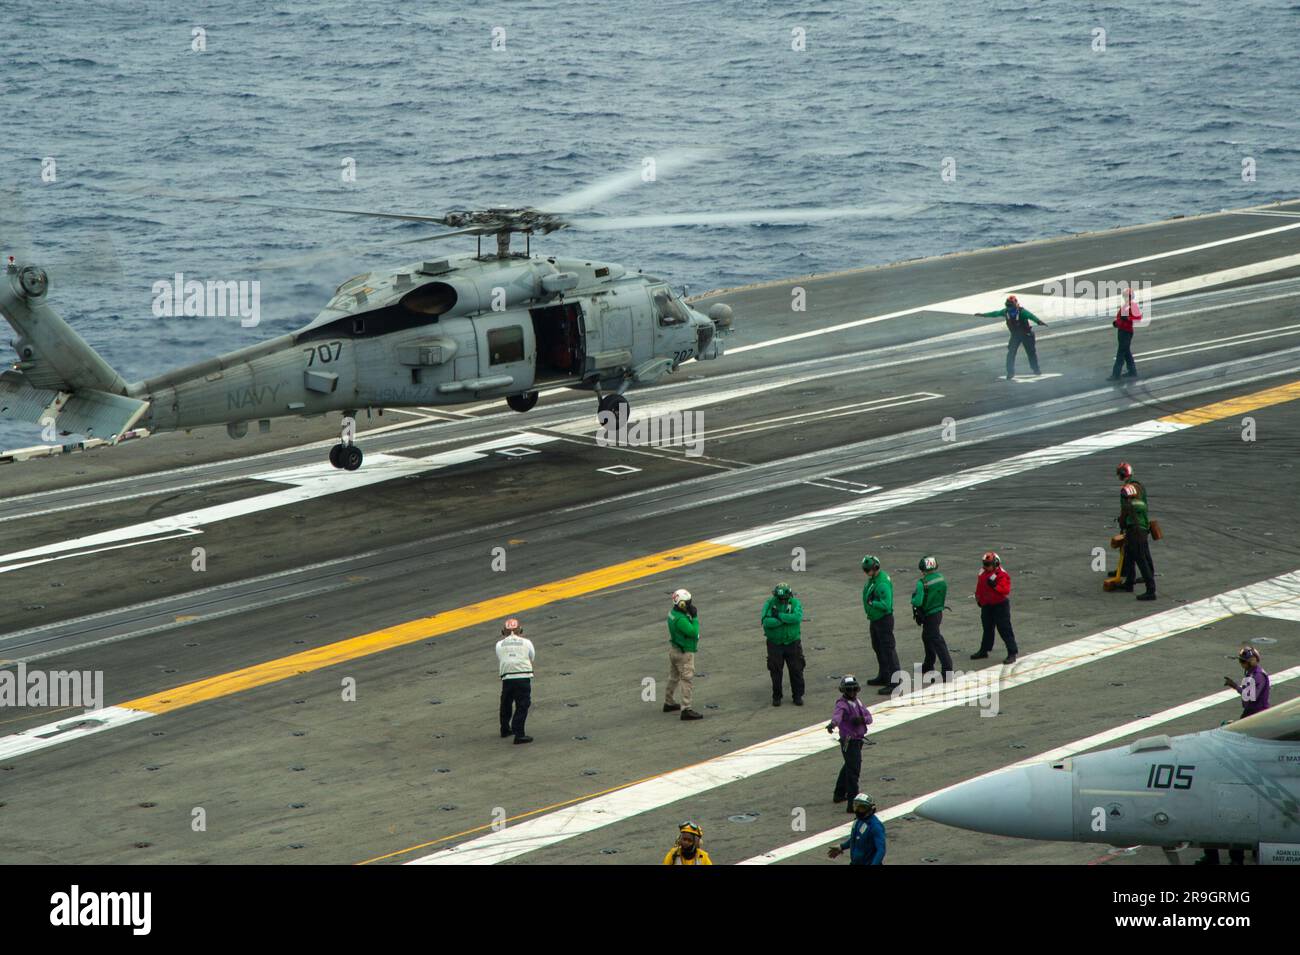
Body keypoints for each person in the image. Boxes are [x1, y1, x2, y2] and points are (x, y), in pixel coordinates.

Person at [1197, 647, 1270, 866]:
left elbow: (1249, 701)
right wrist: (1235, 686)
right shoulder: (1254, 675)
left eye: (1245, 661)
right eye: (1242, 661)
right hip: (1257, 714)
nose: (1243, 664)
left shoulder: (1256, 676)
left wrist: (1238, 688)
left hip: (1254, 717)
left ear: (1254, 660)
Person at [827, 675, 872, 811]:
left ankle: (839, 794)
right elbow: (837, 716)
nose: (852, 692)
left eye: (854, 689)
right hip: (849, 741)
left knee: (849, 766)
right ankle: (852, 803)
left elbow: (869, 717)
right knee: (854, 771)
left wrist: (862, 719)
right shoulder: (842, 704)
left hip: (858, 740)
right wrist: (833, 724)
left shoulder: (858, 702)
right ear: (844, 691)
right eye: (849, 690)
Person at [975, 294, 1047, 379]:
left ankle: (1036, 369)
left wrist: (1039, 321)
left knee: (1031, 353)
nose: (1009, 308)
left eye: (1011, 306)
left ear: (1016, 304)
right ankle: (1010, 372)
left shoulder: (1022, 312)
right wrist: (983, 315)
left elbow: (1031, 316)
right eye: (1008, 306)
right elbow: (995, 313)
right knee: (1011, 354)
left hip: (1026, 335)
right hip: (1015, 336)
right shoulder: (1005, 312)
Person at [762, 582, 805, 706]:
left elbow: (797, 617)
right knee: (775, 671)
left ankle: (798, 695)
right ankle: (777, 696)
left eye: (785, 599)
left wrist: (779, 616)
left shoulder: (795, 603)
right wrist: (786, 620)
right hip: (775, 644)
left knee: (797, 669)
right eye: (780, 599)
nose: (783, 601)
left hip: (792, 642)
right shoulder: (770, 603)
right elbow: (766, 621)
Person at [862, 555, 900, 696]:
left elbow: (886, 604)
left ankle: (895, 681)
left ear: (875, 568)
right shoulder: (873, 579)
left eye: (867, 570)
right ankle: (884, 675)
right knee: (877, 647)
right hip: (875, 619)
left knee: (888, 649)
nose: (865, 573)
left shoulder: (882, 583)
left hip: (883, 619)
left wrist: (873, 603)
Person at [972, 551, 1018, 664]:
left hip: (1000, 605)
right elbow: (980, 586)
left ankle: (1012, 652)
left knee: (1004, 629)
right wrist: (979, 599)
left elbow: (1005, 590)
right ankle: (984, 650)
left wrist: (995, 586)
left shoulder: (1002, 574)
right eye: (984, 564)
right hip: (987, 605)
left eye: (988, 564)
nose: (985, 566)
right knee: (987, 628)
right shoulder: (982, 571)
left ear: (996, 563)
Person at [912, 556, 953, 679]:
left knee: (936, 639)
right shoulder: (941, 579)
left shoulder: (922, 583)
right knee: (927, 636)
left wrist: (913, 598)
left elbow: (918, 602)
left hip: (928, 614)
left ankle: (947, 669)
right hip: (938, 611)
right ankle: (928, 663)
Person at [665, 588, 703, 721]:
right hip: (684, 653)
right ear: (681, 604)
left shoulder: (672, 613)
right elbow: (693, 632)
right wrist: (695, 618)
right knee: (686, 679)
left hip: (674, 650)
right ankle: (686, 709)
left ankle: (668, 702)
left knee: (673, 677)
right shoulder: (681, 619)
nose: (690, 605)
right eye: (688, 603)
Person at [496, 617, 535, 744]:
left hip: (507, 677)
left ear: (503, 632)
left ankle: (505, 729)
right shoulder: (527, 642)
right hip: (523, 676)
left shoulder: (499, 644)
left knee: (506, 703)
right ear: (521, 630)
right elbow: (532, 657)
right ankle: (519, 734)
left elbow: (500, 657)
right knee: (522, 704)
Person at [1118, 483, 1156, 600]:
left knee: (1140, 561)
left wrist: (1121, 521)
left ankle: (1151, 590)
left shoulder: (1128, 505)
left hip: (1134, 533)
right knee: (1129, 557)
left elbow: (1123, 522)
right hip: (1143, 533)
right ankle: (1129, 583)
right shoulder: (1142, 504)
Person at [828, 793, 886, 865]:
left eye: (861, 808)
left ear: (870, 809)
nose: (857, 810)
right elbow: (855, 839)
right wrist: (842, 846)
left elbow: (881, 850)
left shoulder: (875, 826)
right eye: (856, 806)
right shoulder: (858, 821)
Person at [1107, 287, 1144, 381]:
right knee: (1126, 353)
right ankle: (1132, 371)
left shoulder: (1132, 305)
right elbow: (1121, 318)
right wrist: (1117, 323)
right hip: (1122, 331)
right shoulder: (1125, 306)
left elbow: (1138, 318)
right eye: (1124, 296)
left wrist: (1127, 319)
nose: (1125, 297)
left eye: (1127, 296)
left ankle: (1116, 374)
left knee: (1120, 353)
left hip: (1126, 332)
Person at [1225, 646, 1271, 719]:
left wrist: (1235, 686)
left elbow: (1250, 697)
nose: (1240, 663)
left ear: (1252, 661)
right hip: (1251, 711)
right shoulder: (1250, 673)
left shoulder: (1258, 676)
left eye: (1243, 661)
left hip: (1258, 713)